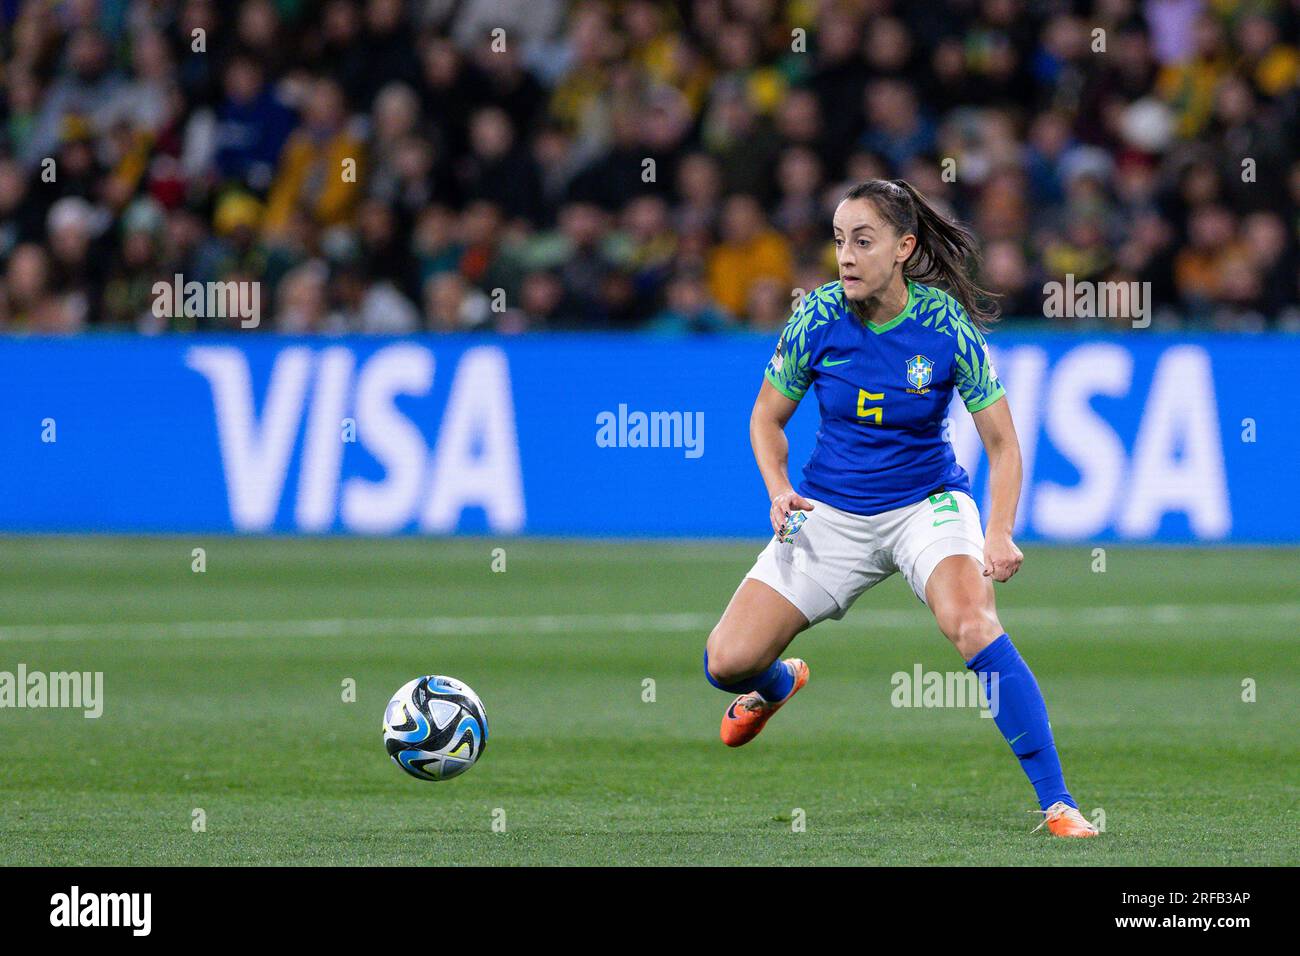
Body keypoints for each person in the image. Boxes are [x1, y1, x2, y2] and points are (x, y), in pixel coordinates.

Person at [703, 179, 1097, 838]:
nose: (846, 256)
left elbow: (1002, 445)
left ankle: (1058, 804)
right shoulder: (817, 316)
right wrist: (777, 488)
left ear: (904, 247)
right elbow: (766, 419)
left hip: (926, 506)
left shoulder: (945, 327)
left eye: (863, 240)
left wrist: (997, 531)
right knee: (726, 662)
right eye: (838, 241)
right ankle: (777, 685)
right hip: (829, 512)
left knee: (971, 621)